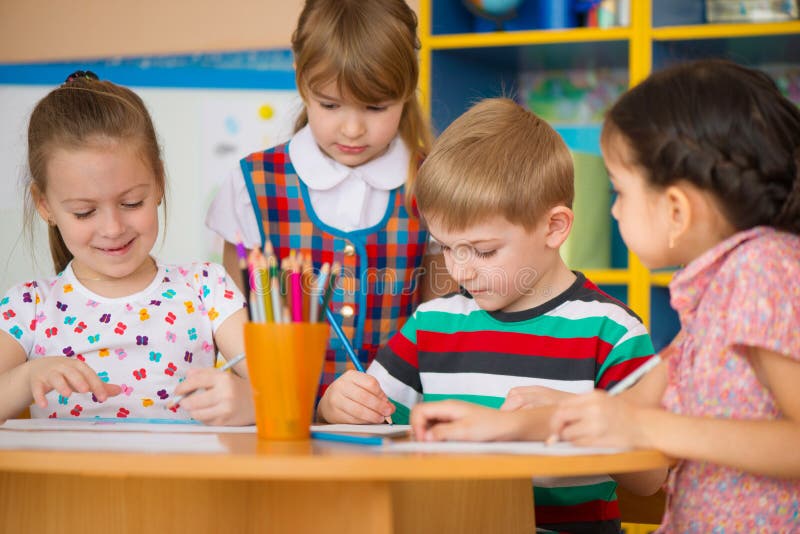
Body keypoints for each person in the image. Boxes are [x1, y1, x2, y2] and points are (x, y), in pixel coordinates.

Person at [413, 60, 800, 532]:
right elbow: (626, 411)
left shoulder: (760, 272)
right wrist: (502, 427)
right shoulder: (716, 292)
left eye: (619, 191)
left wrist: (645, 428)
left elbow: (642, 424)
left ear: (676, 208)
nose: (614, 210)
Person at [318, 98, 664, 533]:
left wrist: (579, 419)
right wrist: (338, 406)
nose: (460, 270)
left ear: (554, 227)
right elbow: (375, 428)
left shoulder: (610, 332)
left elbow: (650, 480)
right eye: (446, 247)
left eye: (483, 251)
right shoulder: (431, 325)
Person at [205, 0, 445, 400]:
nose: (351, 128)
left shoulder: (434, 183)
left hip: (398, 420)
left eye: (375, 107)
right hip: (285, 416)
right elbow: (234, 318)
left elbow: (442, 321)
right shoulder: (253, 185)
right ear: (303, 83)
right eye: (330, 105)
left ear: (407, 90)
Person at [0, 71, 253, 426]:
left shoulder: (206, 287)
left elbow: (286, 394)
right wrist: (26, 379)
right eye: (84, 212)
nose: (113, 228)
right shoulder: (29, 307)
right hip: (69, 483)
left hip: (183, 480)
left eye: (132, 202)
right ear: (45, 205)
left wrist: (251, 403)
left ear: (159, 182)